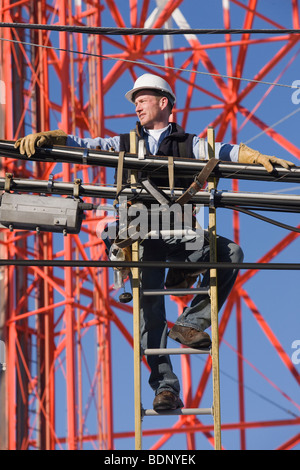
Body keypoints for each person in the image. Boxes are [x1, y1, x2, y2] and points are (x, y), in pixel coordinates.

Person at [14, 73, 294, 411]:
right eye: (135, 101)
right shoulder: (126, 143)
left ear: (164, 103)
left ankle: (191, 323)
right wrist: (54, 139)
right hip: (142, 235)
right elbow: (86, 146)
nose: (136, 105)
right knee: (150, 312)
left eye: (143, 99)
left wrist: (255, 158)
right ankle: (165, 387)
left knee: (230, 252)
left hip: (180, 236)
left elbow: (227, 151)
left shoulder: (191, 143)